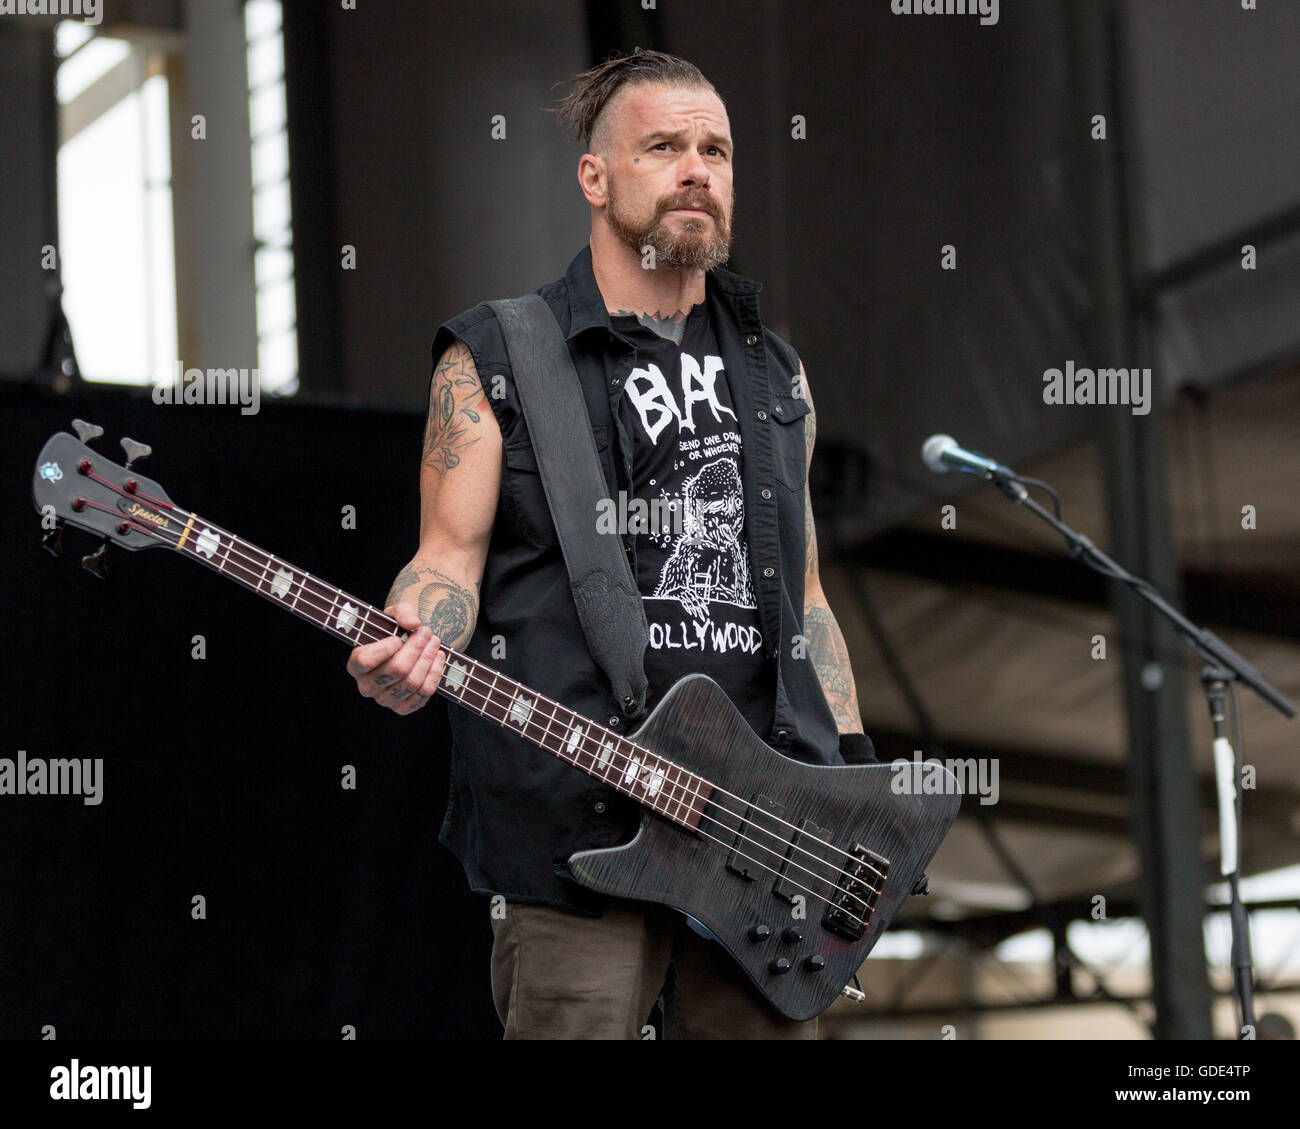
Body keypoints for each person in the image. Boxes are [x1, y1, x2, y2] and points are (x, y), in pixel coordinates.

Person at [346, 48, 875, 1039]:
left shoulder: (777, 372)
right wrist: (413, 633)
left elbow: (803, 600)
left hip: (758, 848)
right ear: (594, 176)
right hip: (574, 830)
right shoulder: (498, 356)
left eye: (715, 149)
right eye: (663, 146)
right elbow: (445, 560)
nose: (695, 170)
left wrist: (847, 786)